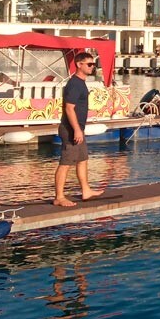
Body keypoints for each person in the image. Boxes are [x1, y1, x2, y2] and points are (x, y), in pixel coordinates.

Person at [54, 51, 104, 207]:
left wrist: (80, 129)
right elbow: (69, 108)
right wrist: (76, 129)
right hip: (70, 129)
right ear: (79, 64)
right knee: (66, 162)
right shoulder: (75, 84)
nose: (92, 67)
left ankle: (86, 190)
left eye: (93, 64)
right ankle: (59, 197)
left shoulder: (81, 83)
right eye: (89, 64)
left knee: (82, 159)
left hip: (78, 128)